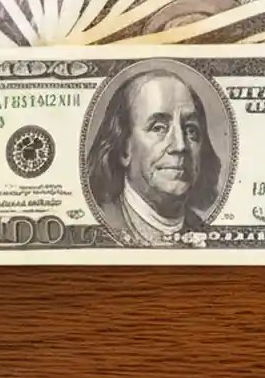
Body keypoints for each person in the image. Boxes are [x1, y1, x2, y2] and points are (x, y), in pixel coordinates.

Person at [85, 66, 221, 245]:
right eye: (158, 128)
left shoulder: (207, 234)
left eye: (190, 130)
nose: (180, 145)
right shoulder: (104, 223)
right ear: (124, 148)